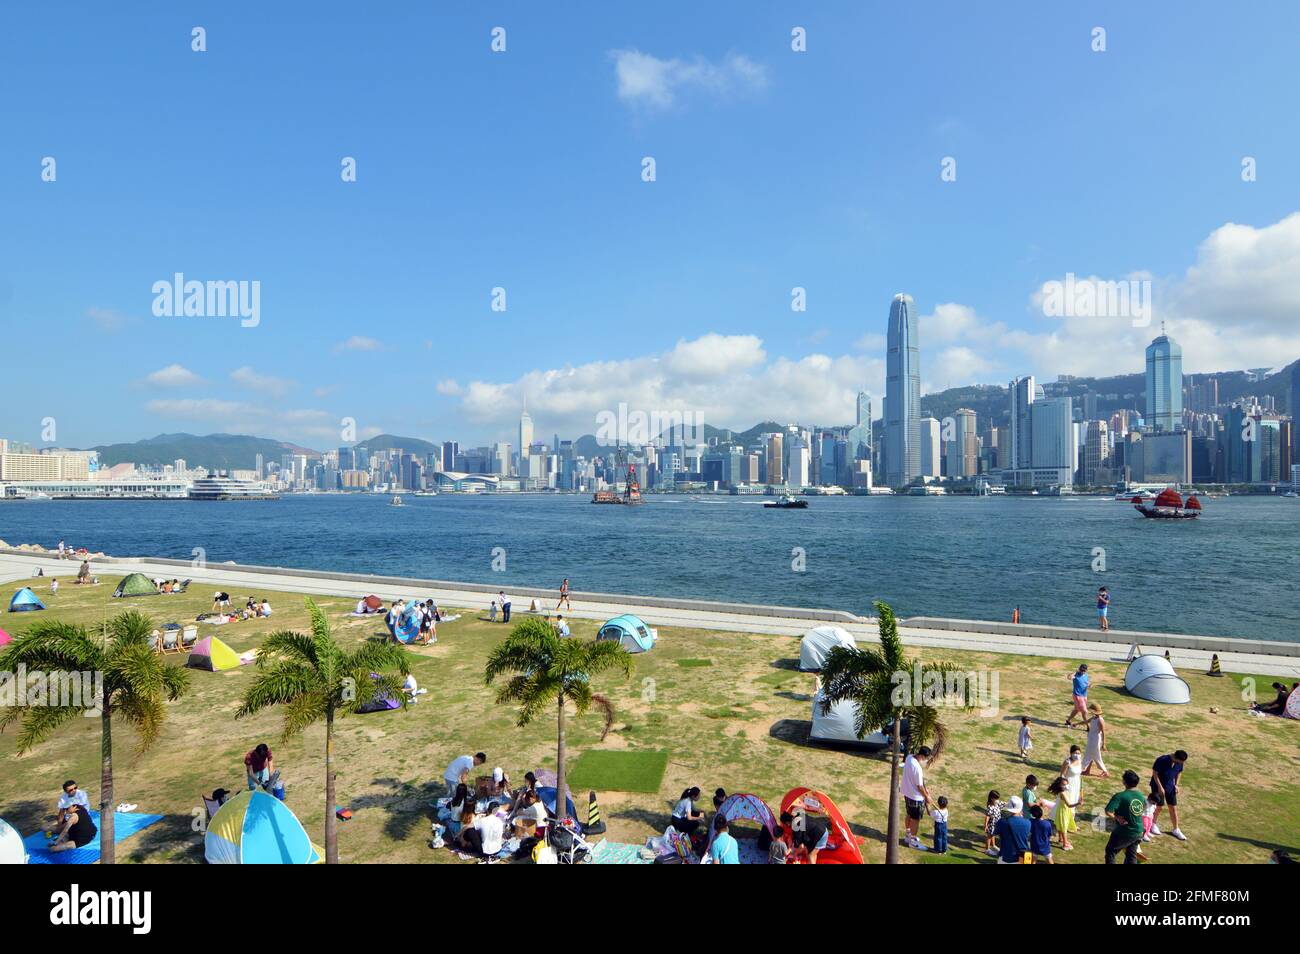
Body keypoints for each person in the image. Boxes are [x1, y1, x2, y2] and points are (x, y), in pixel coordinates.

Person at [1104, 769, 1146, 864]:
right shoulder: (1140, 795)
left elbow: (1108, 811)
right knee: (1131, 854)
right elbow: (1142, 808)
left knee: (1111, 851)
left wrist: (1117, 818)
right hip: (1139, 831)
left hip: (1125, 831)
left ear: (1124, 782)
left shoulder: (1120, 796)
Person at [1149, 750, 1189, 841]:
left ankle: (1176, 829)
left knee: (1173, 808)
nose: (1181, 763)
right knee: (1158, 807)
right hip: (1157, 786)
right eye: (1180, 761)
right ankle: (1153, 824)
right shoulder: (1162, 760)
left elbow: (1179, 772)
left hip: (1170, 787)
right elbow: (1155, 774)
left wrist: (1176, 785)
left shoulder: (1179, 762)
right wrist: (1160, 787)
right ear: (1175, 758)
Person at [48, 784, 97, 854]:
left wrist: (55, 842)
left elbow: (64, 831)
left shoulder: (73, 817)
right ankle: (61, 841)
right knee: (63, 837)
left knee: (53, 849)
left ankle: (59, 843)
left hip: (82, 839)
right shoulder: (81, 808)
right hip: (92, 832)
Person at [901, 746, 932, 851]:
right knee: (915, 819)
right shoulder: (917, 768)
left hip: (907, 793)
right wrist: (927, 796)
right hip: (915, 797)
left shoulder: (909, 757)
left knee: (909, 814)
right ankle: (913, 841)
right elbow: (919, 786)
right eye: (926, 758)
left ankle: (908, 836)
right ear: (923, 756)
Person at [993, 795, 1032, 864]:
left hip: (1006, 857)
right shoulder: (1028, 822)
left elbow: (995, 833)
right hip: (1023, 857)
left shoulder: (1002, 822)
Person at [1058, 744, 1084, 840]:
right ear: (1071, 753)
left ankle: (1071, 823)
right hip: (1068, 786)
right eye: (1075, 753)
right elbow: (1062, 775)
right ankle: (1066, 824)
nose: (1077, 755)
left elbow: (1080, 775)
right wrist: (1064, 787)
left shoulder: (1080, 761)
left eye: (1079, 753)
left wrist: (1081, 788)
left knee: (1074, 804)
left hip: (1076, 785)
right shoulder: (1067, 762)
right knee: (1068, 804)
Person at [1046, 776, 1077, 851]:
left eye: (1067, 784)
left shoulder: (1064, 791)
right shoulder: (1062, 793)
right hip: (1063, 811)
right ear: (1060, 785)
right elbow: (1069, 805)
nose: (1066, 786)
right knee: (1063, 827)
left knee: (1061, 825)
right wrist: (1078, 803)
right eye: (1064, 784)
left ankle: (1060, 839)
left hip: (1064, 810)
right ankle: (1065, 844)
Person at [1082, 703, 1110, 777]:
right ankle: (1087, 770)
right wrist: (1076, 724)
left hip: (1096, 740)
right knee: (1091, 754)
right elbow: (1086, 721)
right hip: (1091, 738)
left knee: (1096, 756)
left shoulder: (1100, 720)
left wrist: (1104, 744)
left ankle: (1105, 771)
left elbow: (1103, 732)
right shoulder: (1094, 718)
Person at [983, 790, 1004, 856]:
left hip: (997, 823)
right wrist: (986, 825)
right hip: (991, 824)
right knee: (989, 836)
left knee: (993, 834)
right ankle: (987, 849)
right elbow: (987, 816)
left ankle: (993, 845)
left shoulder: (998, 803)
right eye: (996, 798)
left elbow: (1005, 804)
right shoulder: (990, 807)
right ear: (992, 798)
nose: (998, 800)